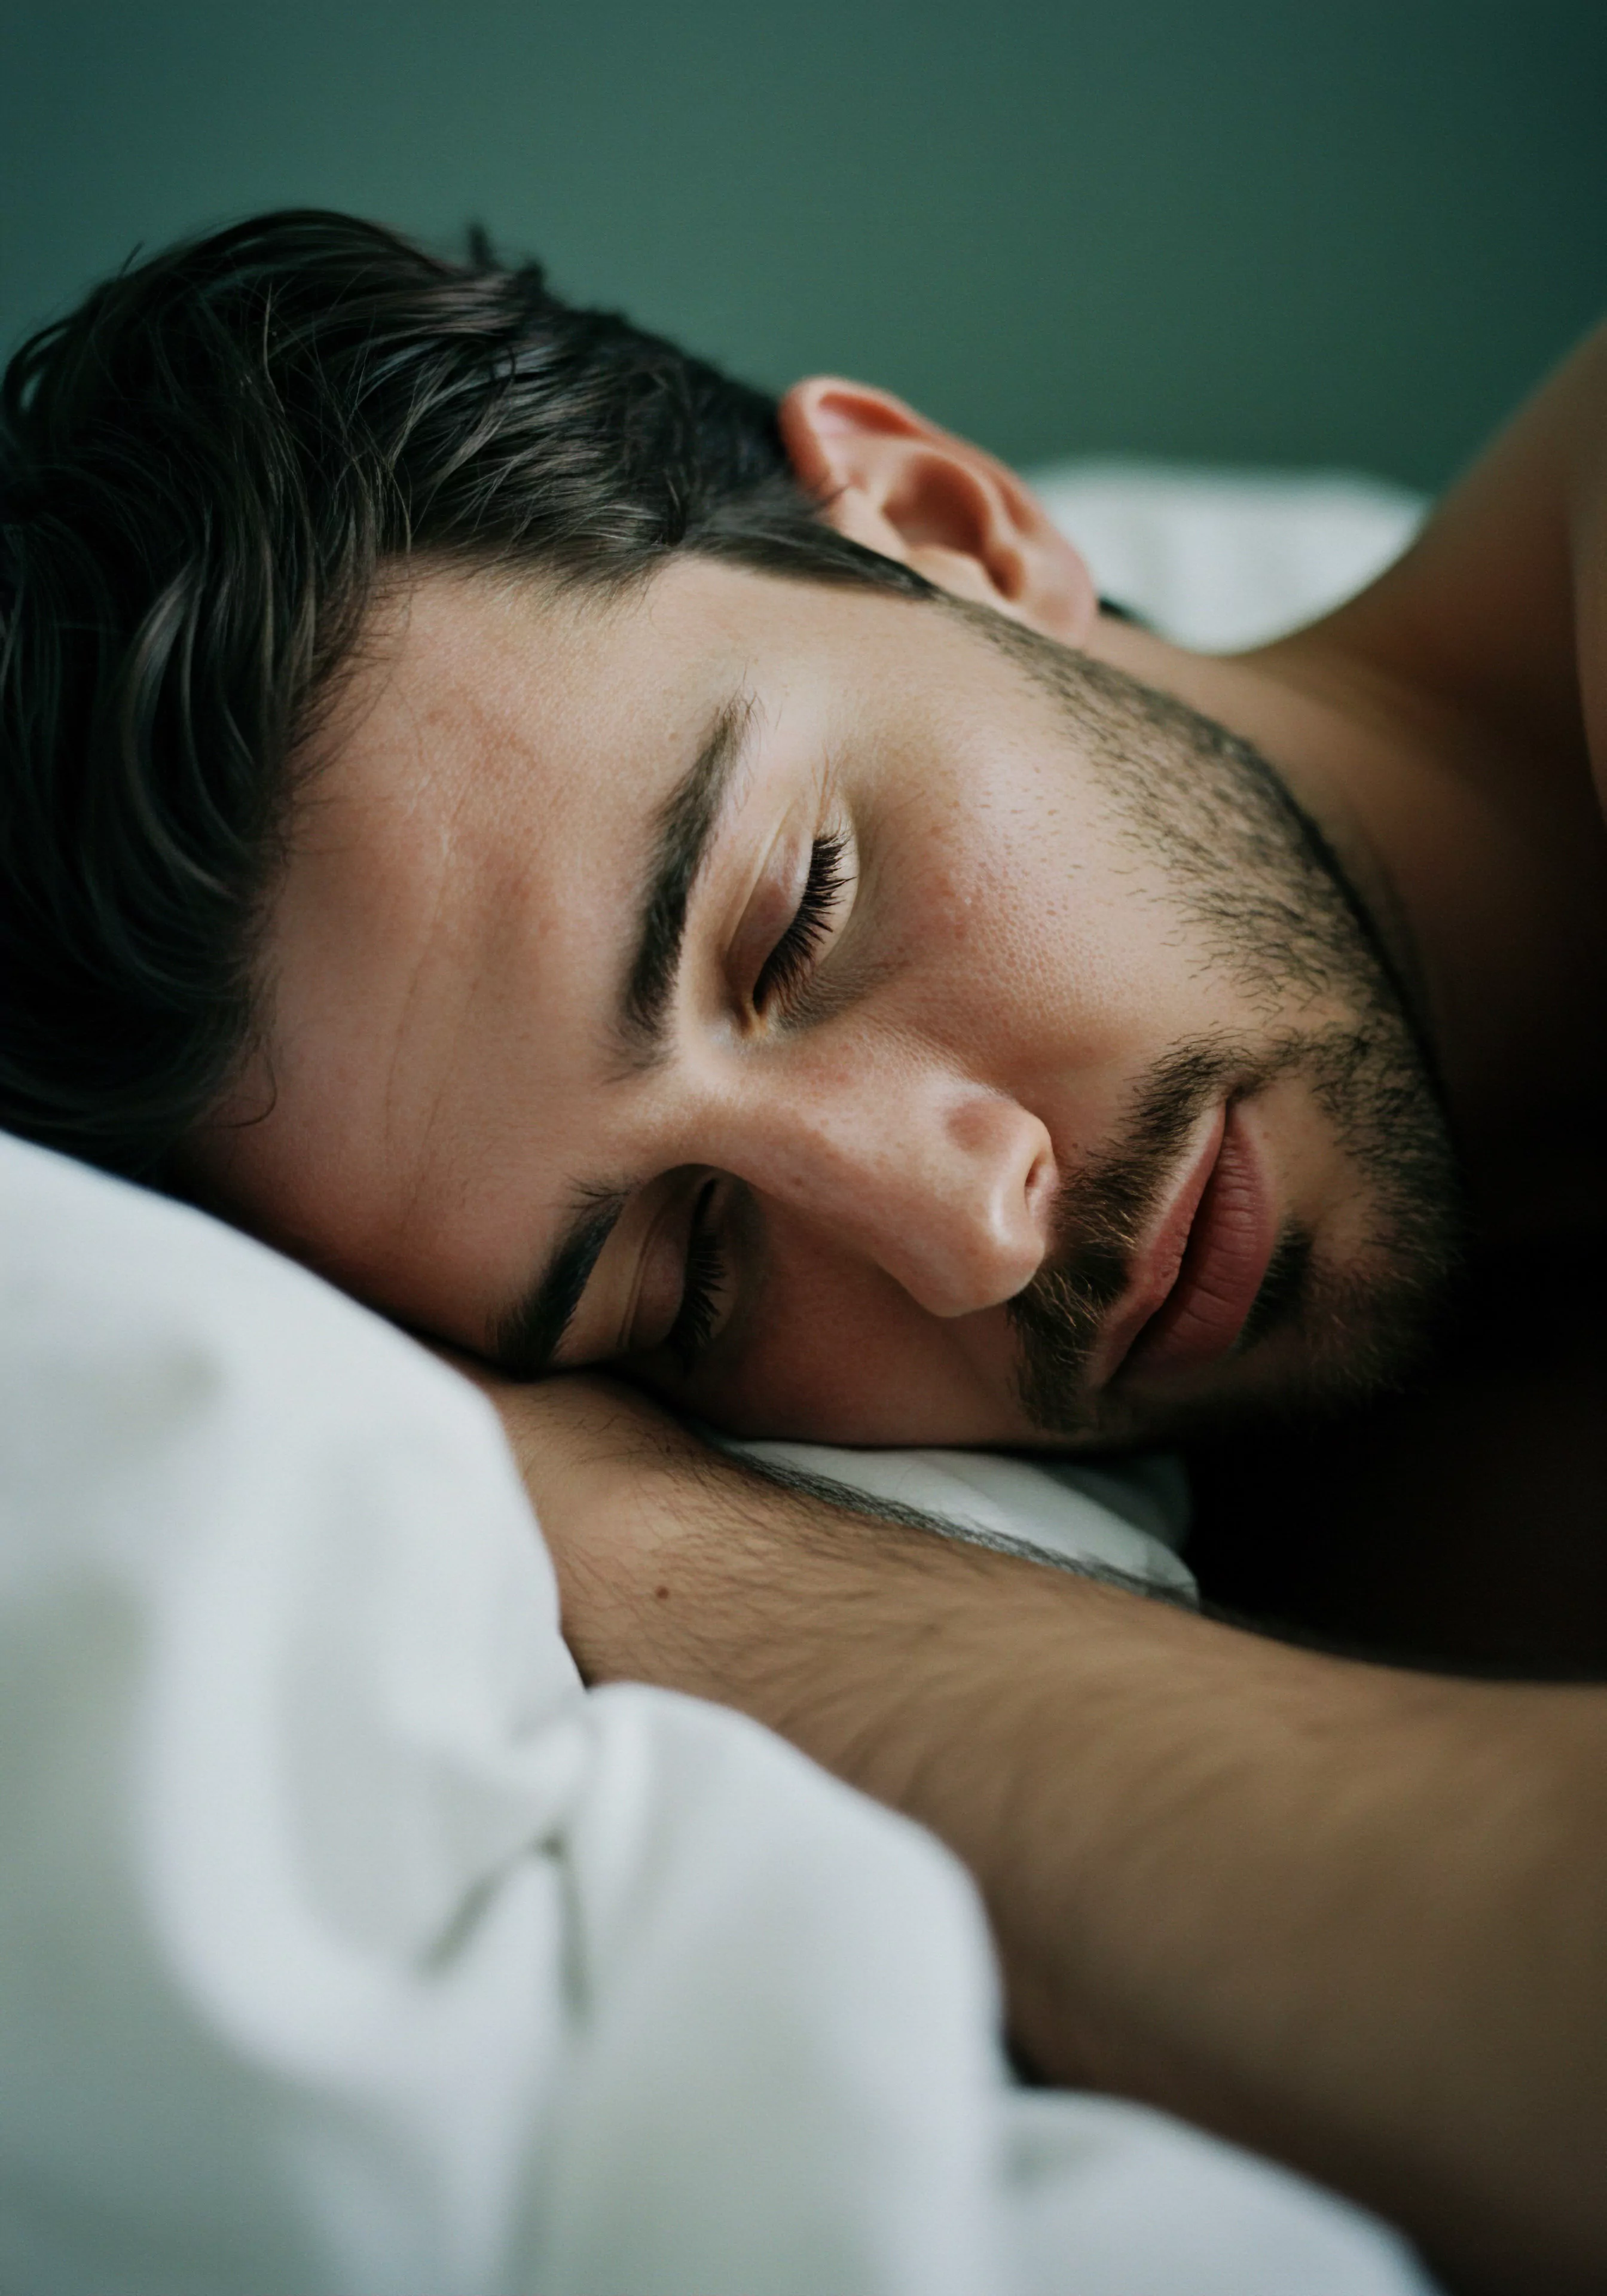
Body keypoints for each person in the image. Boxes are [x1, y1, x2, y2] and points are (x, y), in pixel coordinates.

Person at [2, 210, 1604, 2291]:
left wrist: (675, 1562)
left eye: (801, 922)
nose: (963, 1233)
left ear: (953, 521)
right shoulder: (1289, 1509)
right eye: (688, 1273)